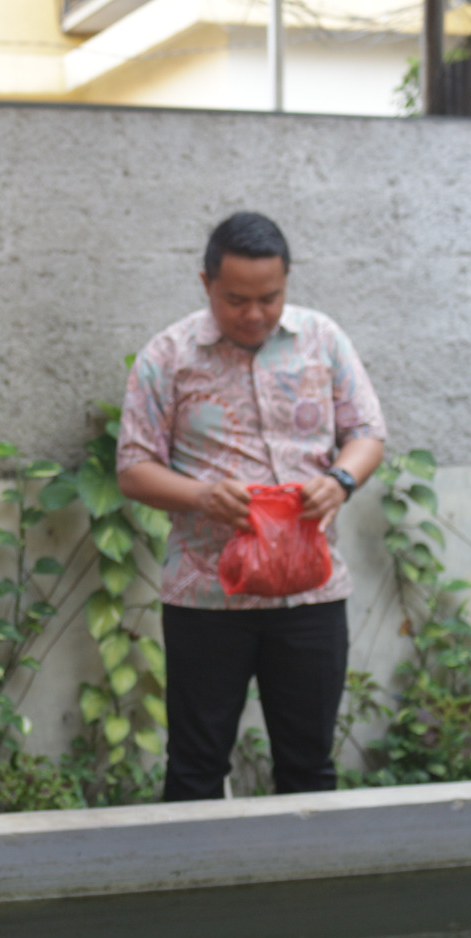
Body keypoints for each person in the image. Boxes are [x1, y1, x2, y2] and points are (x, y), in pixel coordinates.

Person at [116, 212, 387, 801]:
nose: (255, 314)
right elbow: (133, 470)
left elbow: (368, 432)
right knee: (194, 766)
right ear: (206, 282)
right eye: (236, 299)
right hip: (207, 595)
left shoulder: (324, 340)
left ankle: (303, 890)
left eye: (270, 297)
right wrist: (203, 497)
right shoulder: (167, 356)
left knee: (310, 765)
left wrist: (340, 481)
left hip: (311, 595)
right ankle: (196, 890)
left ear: (287, 281)